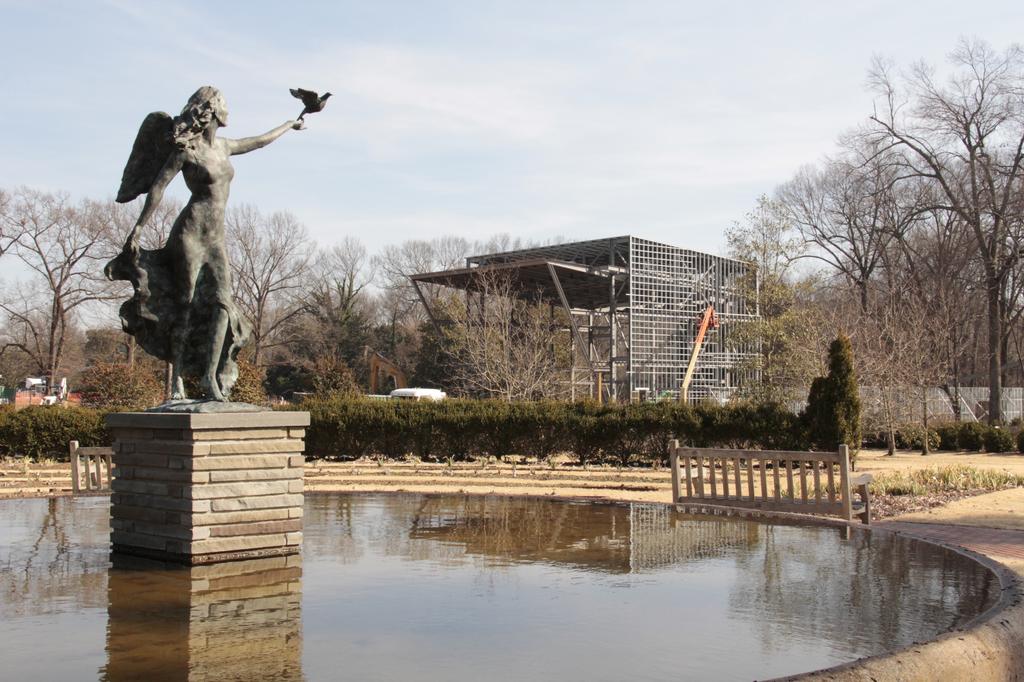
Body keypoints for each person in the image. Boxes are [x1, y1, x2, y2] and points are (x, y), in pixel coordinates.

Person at [106, 86, 303, 402]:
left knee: (223, 305)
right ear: (210, 110)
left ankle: (210, 378)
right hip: (190, 234)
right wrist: (138, 228)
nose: (228, 109)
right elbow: (157, 189)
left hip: (217, 238)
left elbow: (259, 141)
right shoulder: (187, 150)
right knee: (186, 305)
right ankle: (176, 384)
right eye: (224, 103)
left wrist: (290, 124)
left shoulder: (224, 147)